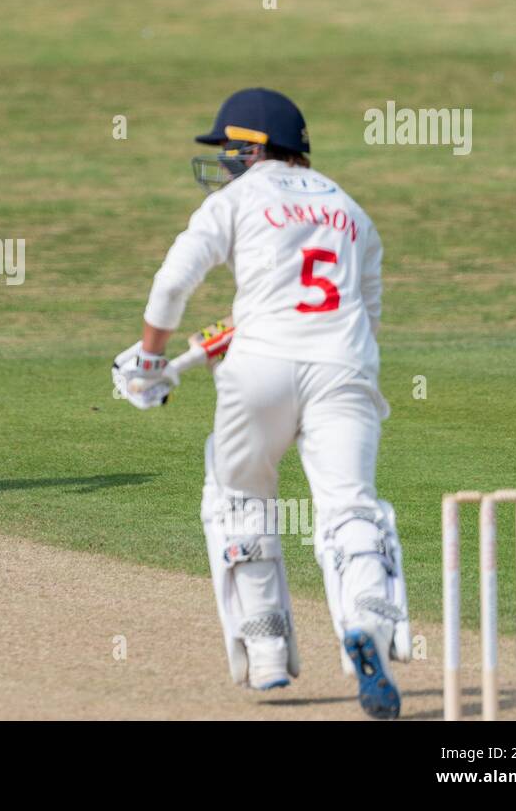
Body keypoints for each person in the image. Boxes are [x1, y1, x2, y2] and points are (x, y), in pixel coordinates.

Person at [113, 88, 409, 719]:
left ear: (255, 150)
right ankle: (369, 632)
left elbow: (173, 280)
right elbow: (368, 315)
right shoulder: (353, 211)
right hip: (345, 368)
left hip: (260, 370)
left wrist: (148, 357)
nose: (223, 164)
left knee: (240, 495)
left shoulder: (239, 199)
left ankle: (269, 650)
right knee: (351, 509)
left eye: (228, 151)